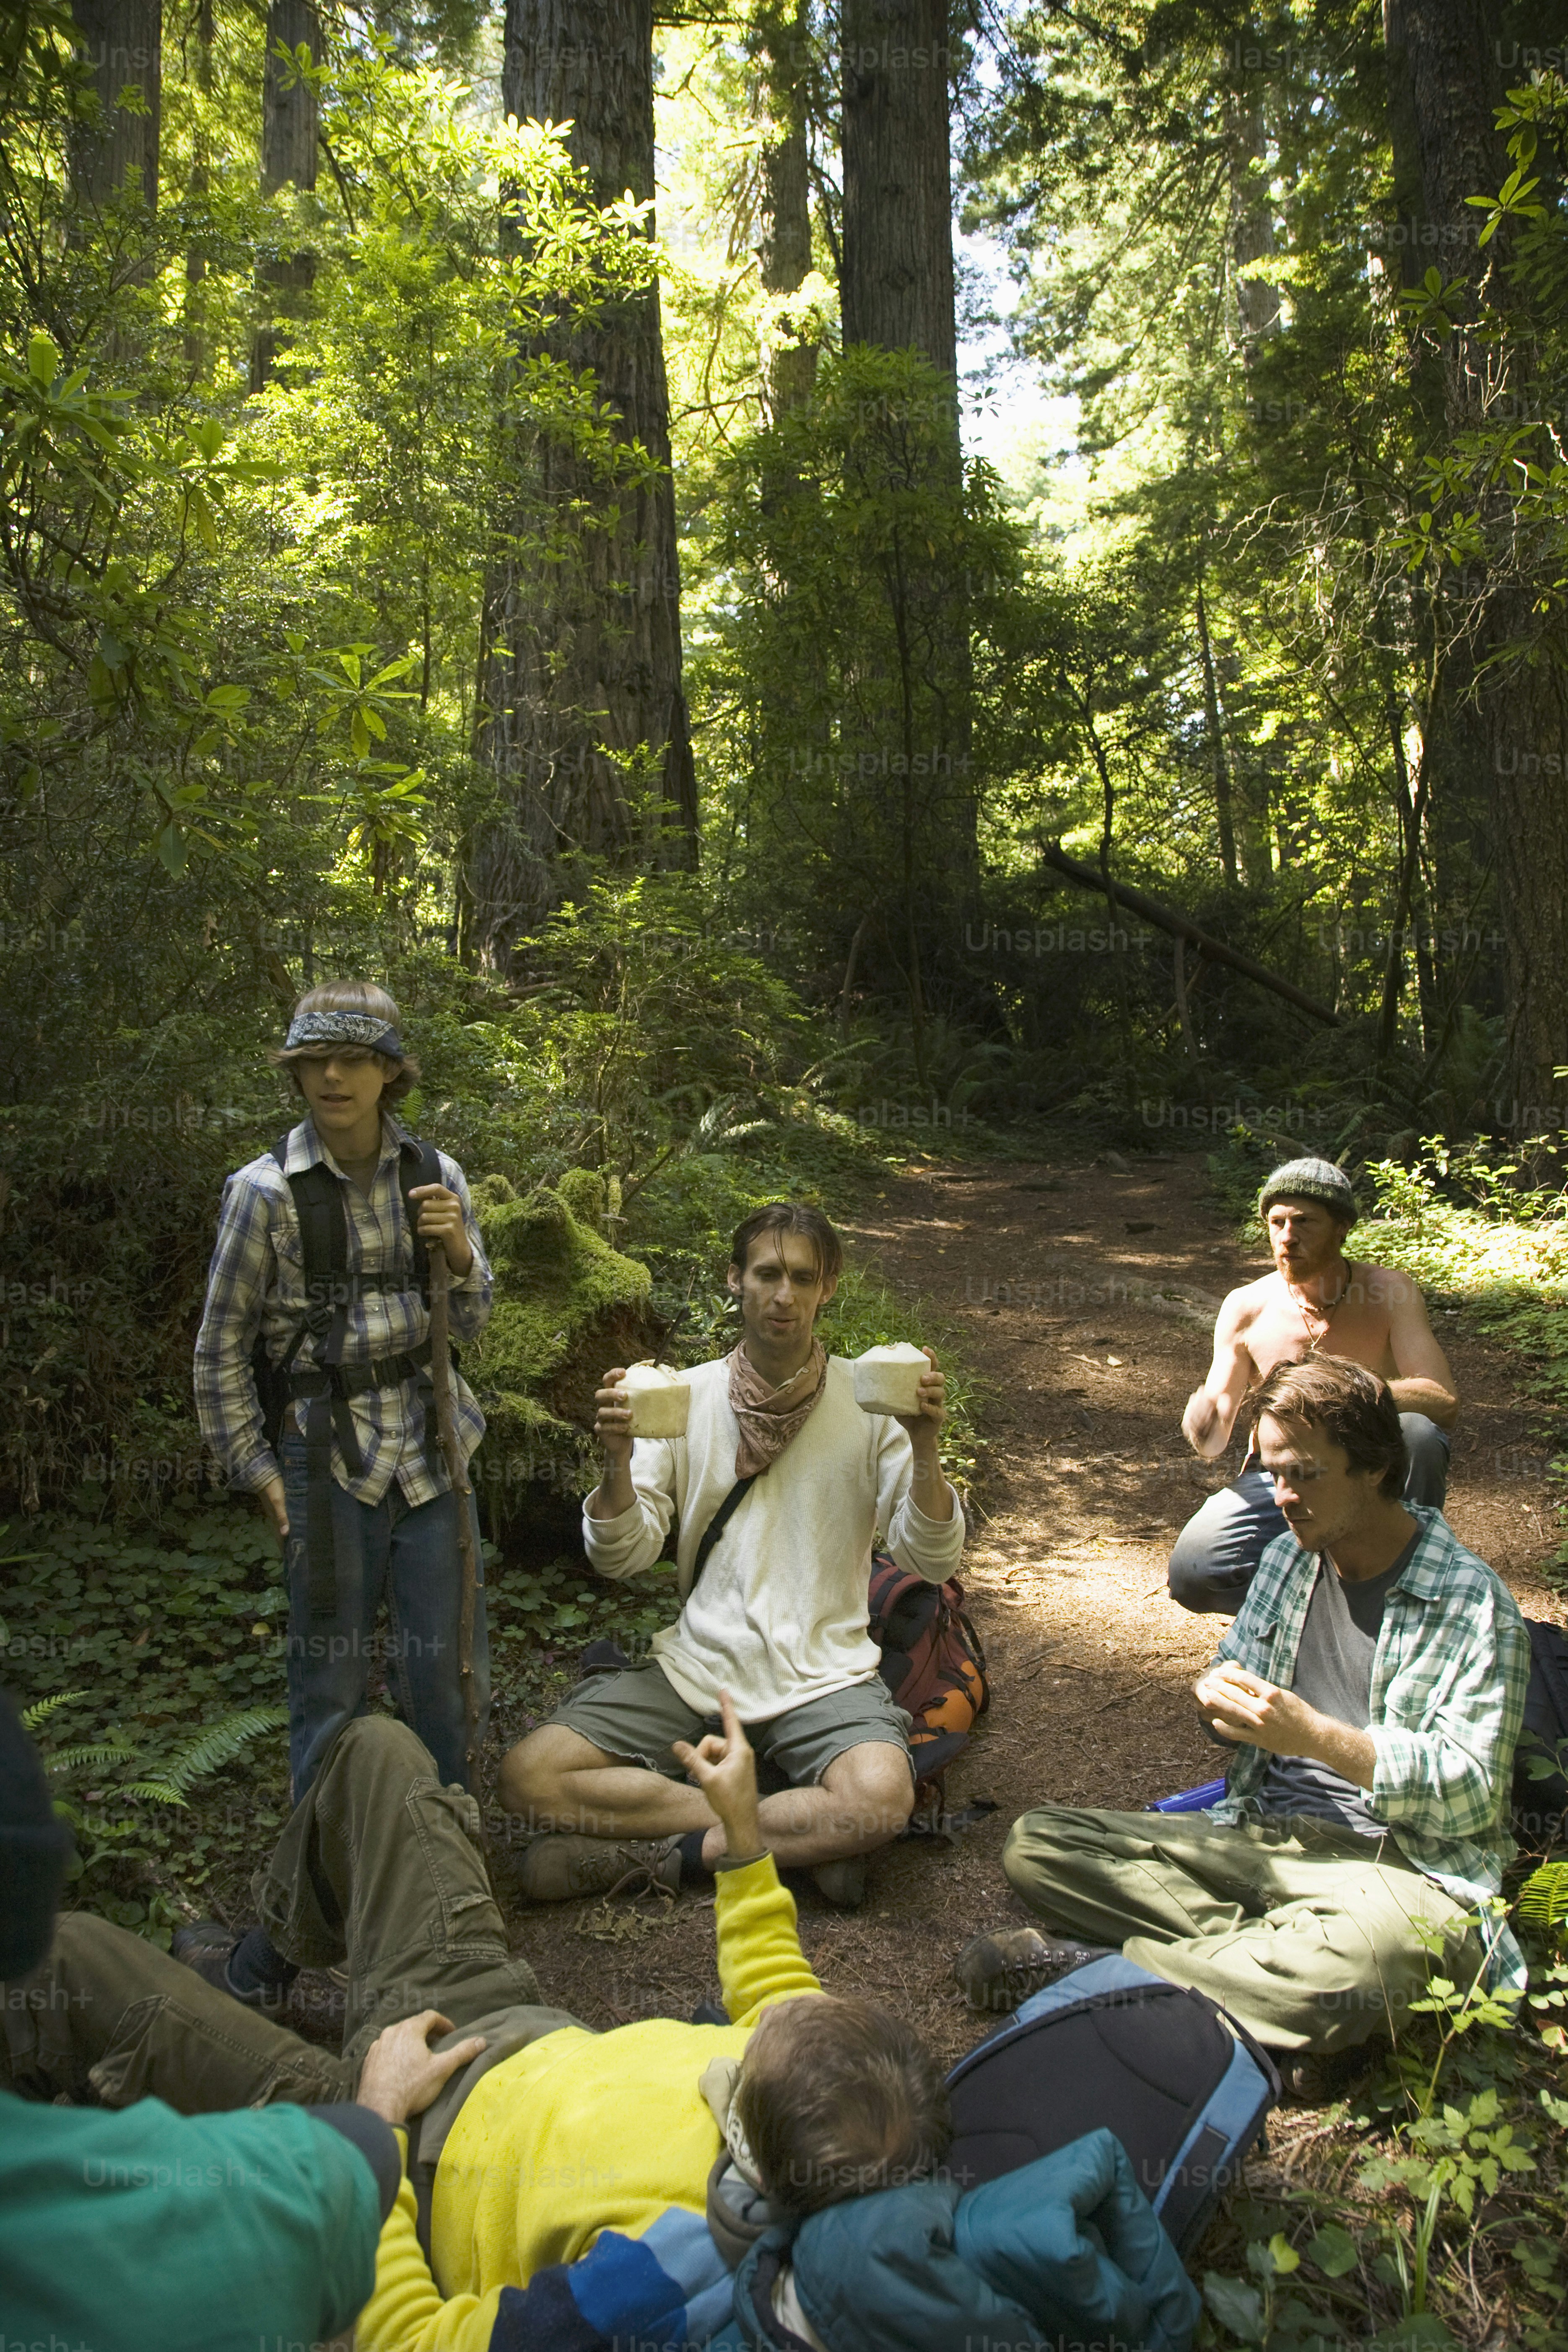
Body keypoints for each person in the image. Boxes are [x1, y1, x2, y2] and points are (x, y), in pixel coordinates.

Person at [959, 1357, 1531, 2089]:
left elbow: (1475, 1791)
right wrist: (1217, 1704)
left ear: (1377, 1469)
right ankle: (1277, 2003)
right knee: (1039, 1845)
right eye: (1270, 1473)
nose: (1281, 1497)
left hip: (1395, 1867)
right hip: (1263, 1838)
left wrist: (1318, 1739)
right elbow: (1233, 1678)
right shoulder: (1292, 1559)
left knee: (1361, 1962)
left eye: (1305, 1474)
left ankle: (1102, 1976)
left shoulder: (1471, 1602)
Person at [497, 1202, 965, 1909]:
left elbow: (928, 1558)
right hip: (700, 1665)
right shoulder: (683, 1398)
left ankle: (670, 1853)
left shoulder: (873, 1402)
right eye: (768, 1274)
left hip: (823, 1671)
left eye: (803, 1278)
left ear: (827, 1287)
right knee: (529, 1776)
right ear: (735, 1280)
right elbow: (622, 1557)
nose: (785, 1296)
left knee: (879, 1799)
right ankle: (790, 1836)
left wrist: (924, 1447)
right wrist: (618, 1464)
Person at [0, 1685, 414, 2352]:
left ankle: (247, 1977)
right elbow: (349, 2164)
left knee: (70, 1953)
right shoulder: (132, 2237)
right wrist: (382, 2108)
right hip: (327, 2165)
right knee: (378, 1745)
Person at [195, 977, 493, 1799]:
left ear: (390, 1072)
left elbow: (471, 1324)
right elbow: (218, 1351)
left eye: (355, 1060)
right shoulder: (263, 1195)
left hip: (438, 1455)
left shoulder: (436, 1176)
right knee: (326, 1692)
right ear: (295, 1072)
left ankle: (446, 1869)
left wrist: (461, 1254)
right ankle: (322, 1896)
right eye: (316, 1060)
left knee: (447, 1681)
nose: (334, 1078)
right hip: (324, 1464)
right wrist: (257, 1471)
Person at [1168, 1155, 1458, 1614]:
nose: (1287, 1237)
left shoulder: (1388, 1292)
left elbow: (1442, 1401)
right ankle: (1316, 1605)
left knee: (1418, 1434)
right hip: (1279, 1473)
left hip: (1368, 1467)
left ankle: (1406, 1586)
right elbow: (1214, 1438)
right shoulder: (1246, 1306)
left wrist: (1345, 1399)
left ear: (1341, 1228)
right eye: (1276, 1222)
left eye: (1304, 1222)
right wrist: (1203, 1422)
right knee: (1194, 1576)